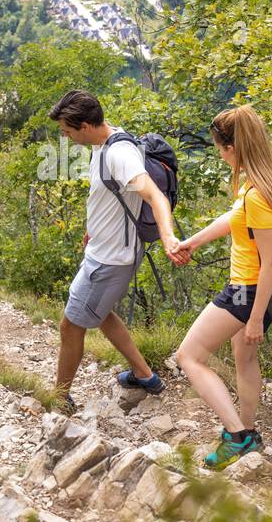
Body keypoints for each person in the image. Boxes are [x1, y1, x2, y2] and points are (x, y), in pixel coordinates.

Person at [171, 104, 272, 469]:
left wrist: (255, 318)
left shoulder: (257, 193)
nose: (221, 156)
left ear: (232, 148)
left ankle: (236, 436)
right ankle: (249, 432)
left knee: (189, 356)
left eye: (221, 149)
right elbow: (235, 217)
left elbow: (269, 259)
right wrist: (192, 241)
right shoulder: (271, 177)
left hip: (250, 290)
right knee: (245, 357)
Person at [49, 90, 184, 416]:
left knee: (70, 326)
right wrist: (94, 226)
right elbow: (112, 196)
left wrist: (168, 237)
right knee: (101, 312)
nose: (65, 137)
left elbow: (155, 197)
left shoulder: (119, 155)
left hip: (109, 260)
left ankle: (59, 397)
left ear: (83, 125)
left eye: (67, 131)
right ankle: (145, 376)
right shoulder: (107, 140)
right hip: (106, 250)